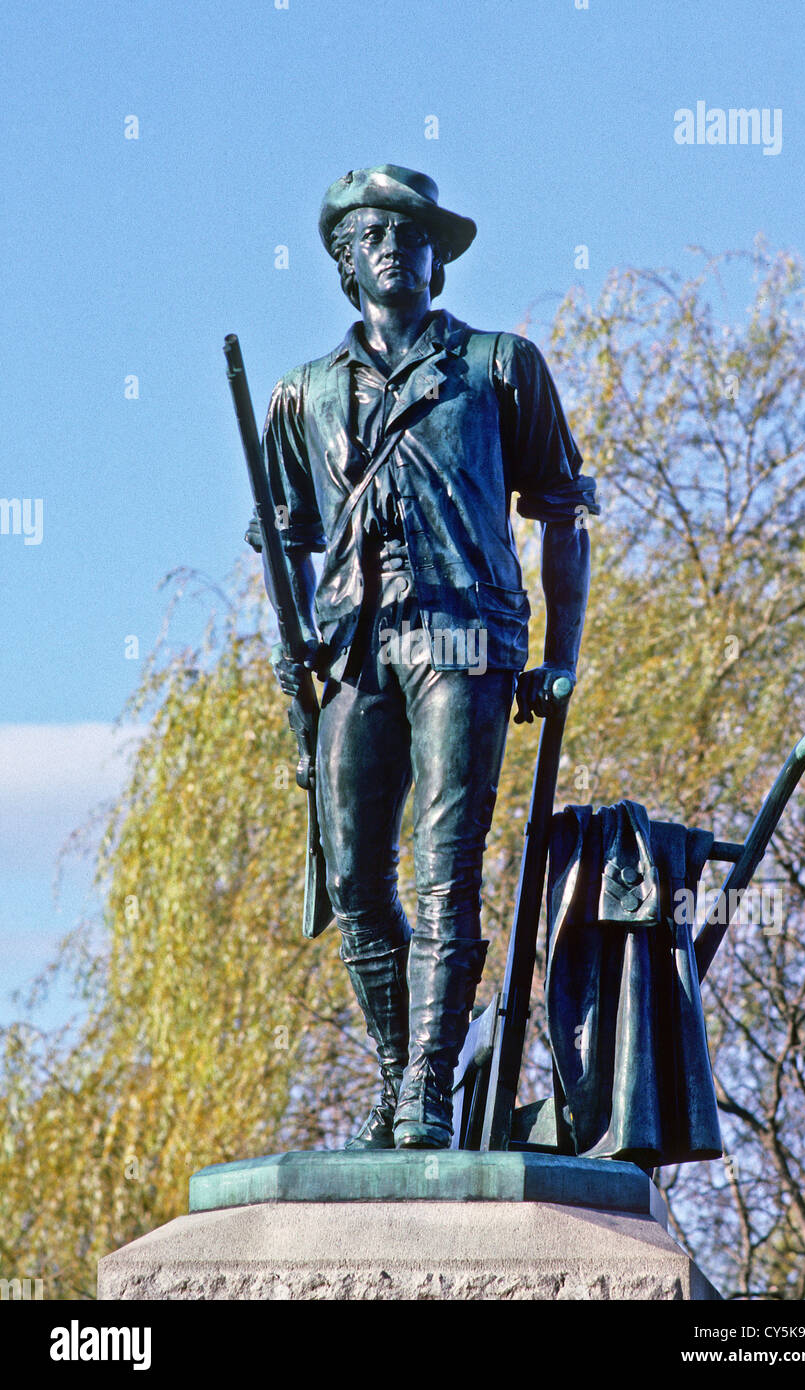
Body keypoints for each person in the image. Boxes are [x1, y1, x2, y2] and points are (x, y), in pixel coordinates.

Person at [247, 165, 598, 1149]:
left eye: (411, 230)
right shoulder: (299, 395)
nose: (392, 244)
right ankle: (406, 1069)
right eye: (370, 232)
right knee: (356, 879)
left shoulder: (497, 366)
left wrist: (555, 656)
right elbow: (282, 539)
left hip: (463, 638)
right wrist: (292, 647)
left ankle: (425, 1091)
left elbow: (560, 509)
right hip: (356, 651)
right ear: (342, 261)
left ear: (438, 257)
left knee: (445, 868)